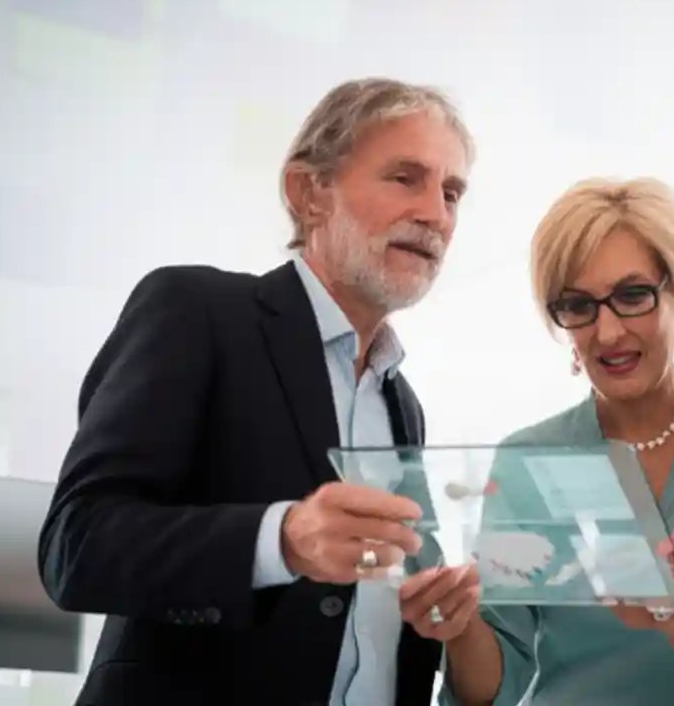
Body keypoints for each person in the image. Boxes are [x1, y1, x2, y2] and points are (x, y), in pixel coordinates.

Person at [37, 78, 476, 705]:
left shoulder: (403, 404)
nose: (436, 213)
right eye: (406, 178)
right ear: (309, 193)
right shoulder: (196, 311)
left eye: (452, 192)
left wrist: (433, 615)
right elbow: (76, 546)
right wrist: (283, 539)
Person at [419, 177, 674, 705]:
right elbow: (493, 688)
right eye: (579, 306)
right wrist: (458, 625)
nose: (607, 333)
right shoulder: (525, 461)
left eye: (633, 296)